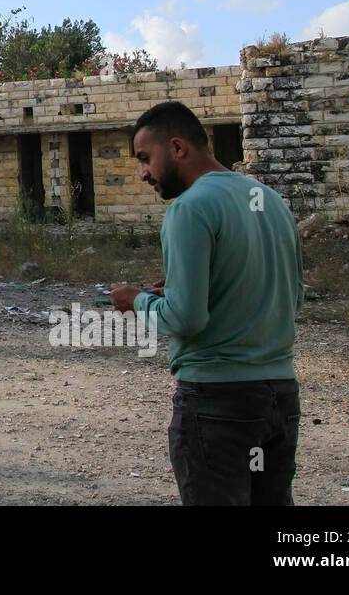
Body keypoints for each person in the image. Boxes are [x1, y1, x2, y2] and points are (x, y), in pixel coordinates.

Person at [111, 101, 305, 505]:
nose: (142, 173)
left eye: (145, 158)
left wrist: (138, 300)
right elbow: (290, 296)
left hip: (218, 401)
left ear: (178, 148)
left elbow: (186, 317)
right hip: (280, 396)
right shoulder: (269, 199)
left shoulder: (189, 208)